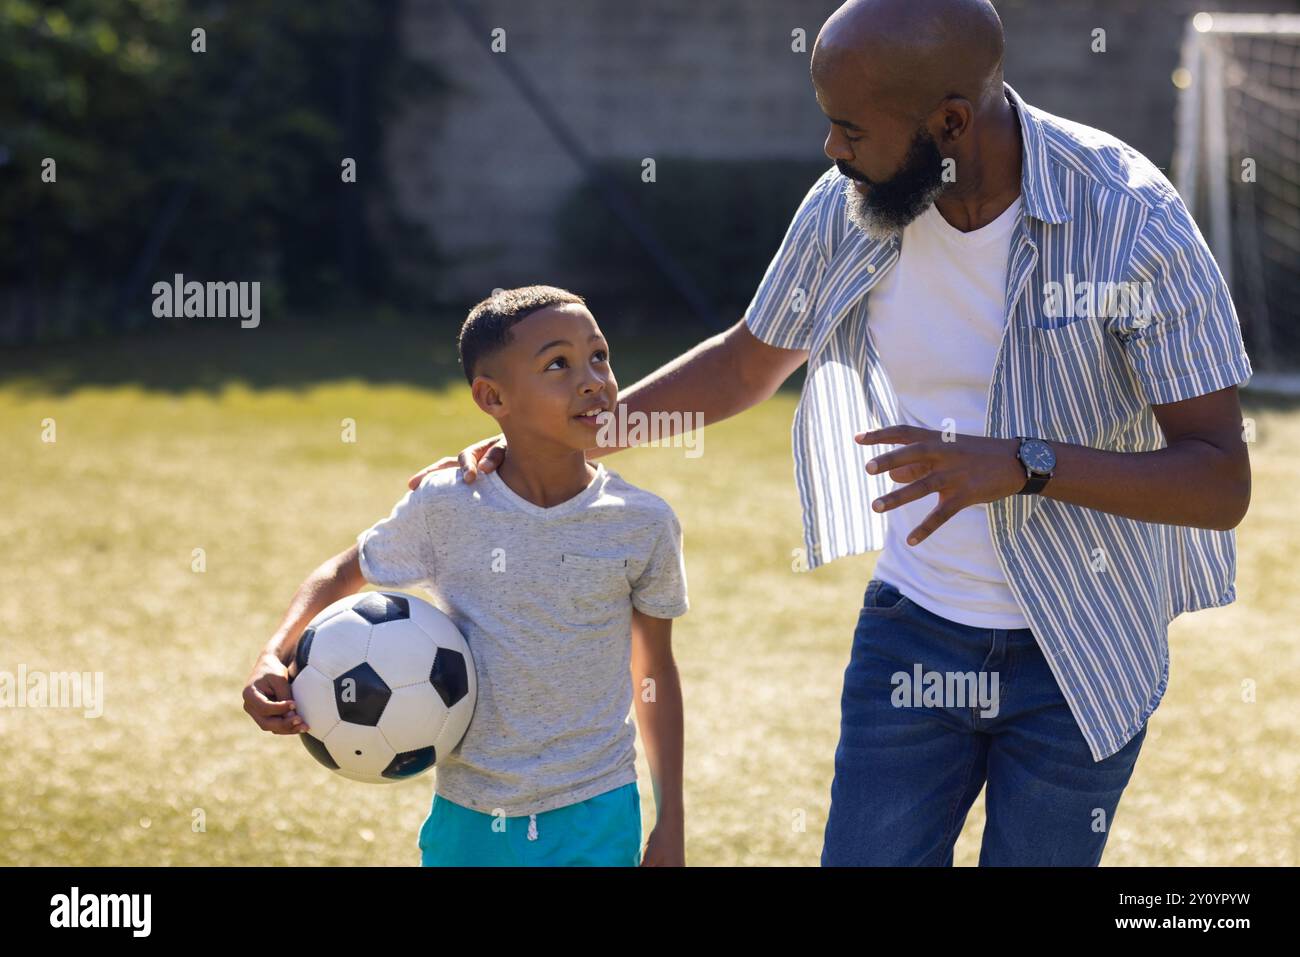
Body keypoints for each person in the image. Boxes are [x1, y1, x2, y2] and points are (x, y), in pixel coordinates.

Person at [410, 0, 1253, 865]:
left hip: (1083, 648)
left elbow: (1220, 479)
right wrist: (572, 439)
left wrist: (1020, 464)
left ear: (950, 122)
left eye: (849, 128)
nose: (830, 150)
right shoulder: (850, 206)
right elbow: (747, 364)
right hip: (915, 632)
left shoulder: (1130, 219)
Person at [243, 285, 690, 866]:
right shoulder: (448, 505)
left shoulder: (643, 522)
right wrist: (272, 656)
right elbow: (342, 571)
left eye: (599, 356)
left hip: (597, 811)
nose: (592, 380)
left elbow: (654, 669)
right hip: (471, 818)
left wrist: (671, 821)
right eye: (558, 363)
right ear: (491, 397)